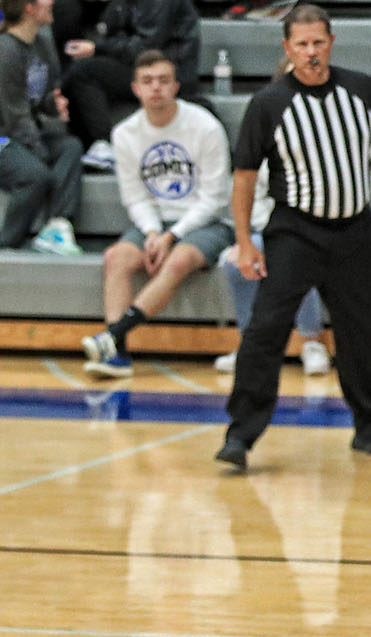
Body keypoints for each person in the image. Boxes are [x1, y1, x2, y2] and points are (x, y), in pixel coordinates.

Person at [215, 4, 371, 470]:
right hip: (294, 232)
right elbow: (243, 177)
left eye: (318, 42)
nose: (311, 52)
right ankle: (240, 435)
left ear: (331, 42)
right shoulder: (269, 104)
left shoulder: (361, 90)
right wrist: (244, 241)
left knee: (363, 332)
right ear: (287, 48)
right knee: (265, 331)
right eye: (302, 44)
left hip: (355, 231)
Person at [79, 49, 231, 380]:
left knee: (177, 260)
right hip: (155, 222)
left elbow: (215, 198)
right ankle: (117, 356)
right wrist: (151, 233)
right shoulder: (125, 134)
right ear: (135, 88)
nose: (156, 88)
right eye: (147, 81)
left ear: (176, 86)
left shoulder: (205, 127)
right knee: (117, 258)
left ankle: (113, 335)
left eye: (163, 80)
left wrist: (172, 236)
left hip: (207, 221)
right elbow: (133, 196)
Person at [212, 59, 325, 377]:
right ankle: (251, 345)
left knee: (298, 254)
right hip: (270, 225)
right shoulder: (264, 128)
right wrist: (246, 240)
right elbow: (247, 190)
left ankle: (311, 341)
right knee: (234, 261)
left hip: (318, 226)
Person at [58, 0, 201, 172]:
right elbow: (114, 29)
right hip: (142, 65)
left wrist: (97, 48)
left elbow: (146, 47)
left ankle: (106, 143)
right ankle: (86, 146)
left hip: (168, 71)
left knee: (83, 72)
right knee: (72, 75)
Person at [0, 0, 83, 253]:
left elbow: (37, 99)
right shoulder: (5, 50)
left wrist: (53, 104)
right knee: (34, 174)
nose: (52, 2)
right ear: (29, 8)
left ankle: (58, 225)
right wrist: (40, 152)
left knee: (69, 146)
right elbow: (14, 114)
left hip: (20, 132)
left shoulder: (41, 43)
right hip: (4, 136)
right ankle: (6, 243)